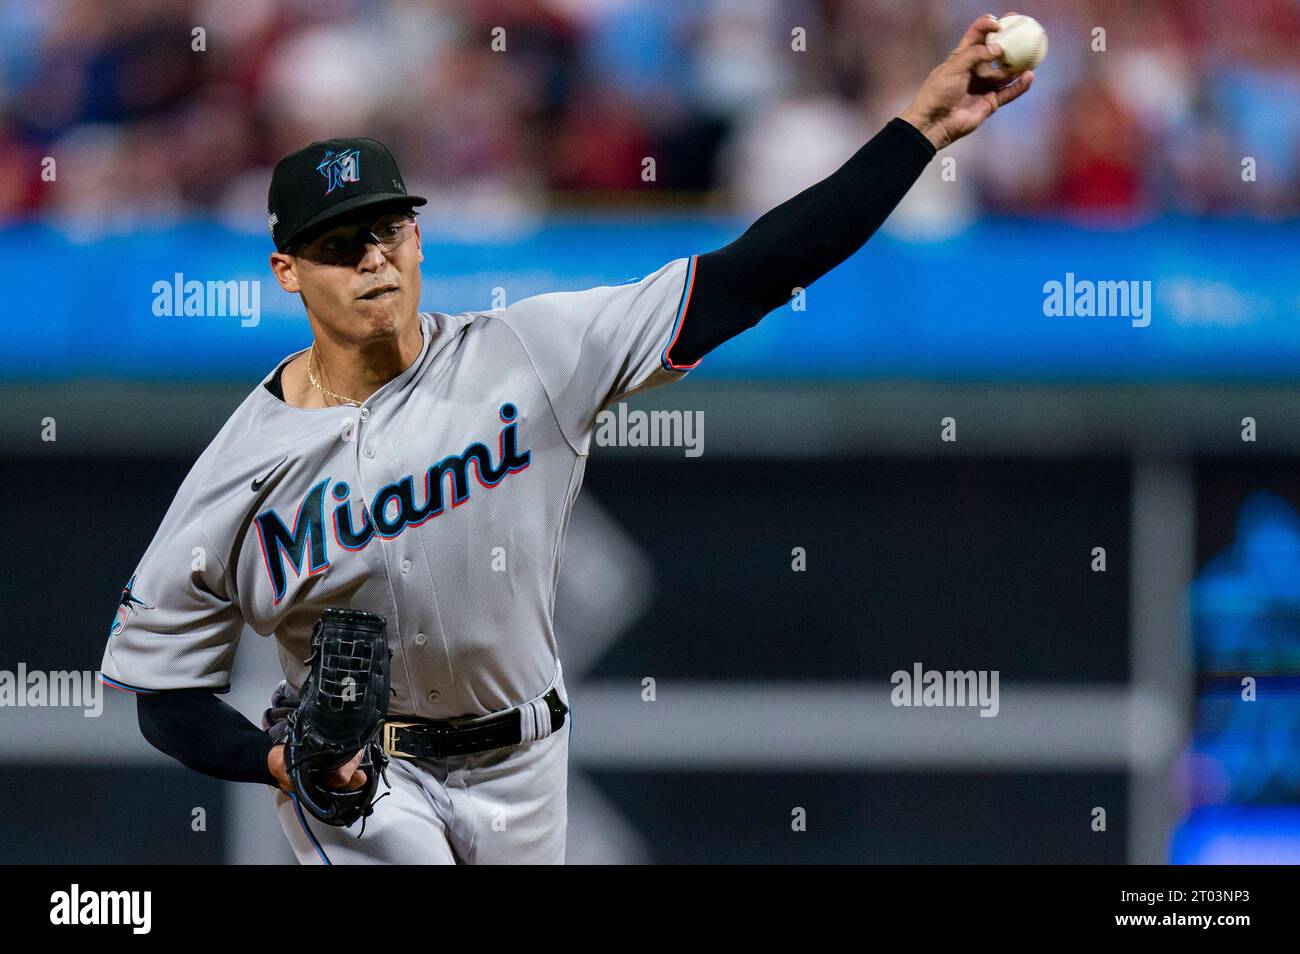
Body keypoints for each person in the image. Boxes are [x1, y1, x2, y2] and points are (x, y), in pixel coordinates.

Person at [101, 16, 1033, 864]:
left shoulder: (531, 355)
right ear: (287, 272)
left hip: (525, 765)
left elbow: (756, 272)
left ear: (418, 236)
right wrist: (274, 760)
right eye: (339, 245)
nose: (373, 257)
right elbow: (164, 697)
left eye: (386, 229)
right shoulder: (239, 469)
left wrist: (921, 130)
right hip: (364, 786)